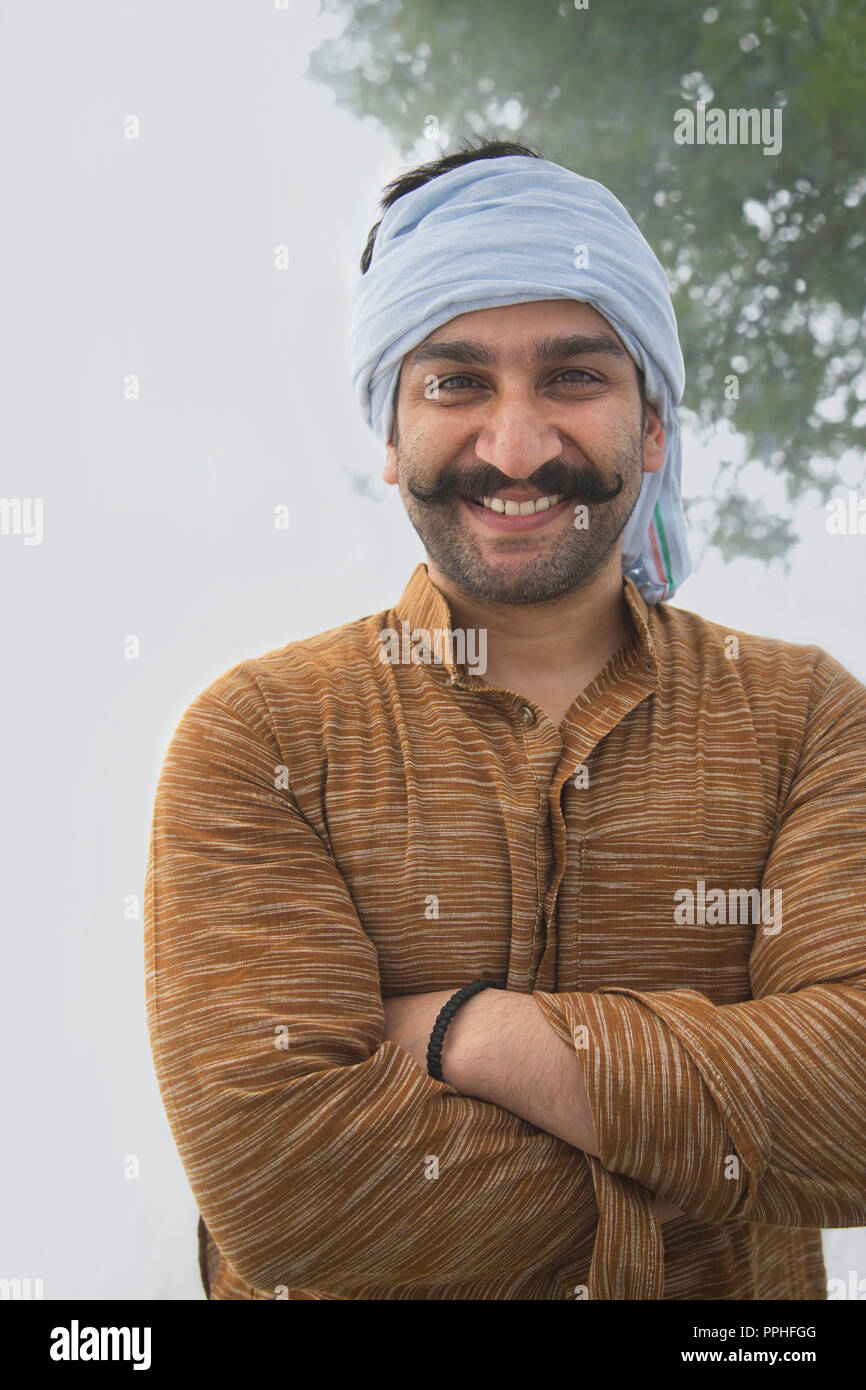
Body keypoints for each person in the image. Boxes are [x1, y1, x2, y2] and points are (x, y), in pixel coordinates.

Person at [144, 137, 866, 1300]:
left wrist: (469, 1035)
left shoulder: (803, 720)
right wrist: (715, 1176)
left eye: (573, 376)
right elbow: (290, 1190)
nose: (516, 445)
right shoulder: (261, 738)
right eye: (456, 382)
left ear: (652, 429)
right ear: (389, 434)